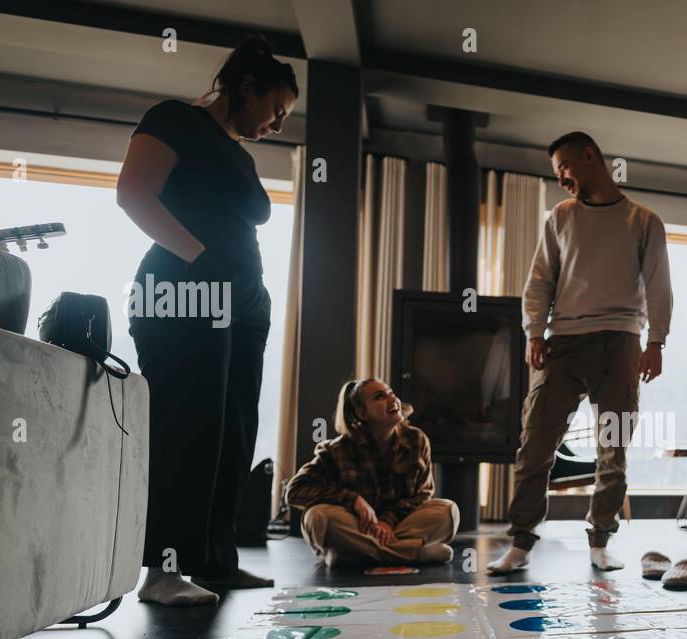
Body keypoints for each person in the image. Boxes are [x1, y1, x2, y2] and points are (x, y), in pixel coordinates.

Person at [116, 35, 297, 605]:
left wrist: (249, 291)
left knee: (233, 431)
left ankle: (214, 562)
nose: (278, 123)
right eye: (277, 109)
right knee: (188, 427)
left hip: (244, 303)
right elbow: (134, 195)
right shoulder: (175, 120)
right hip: (184, 291)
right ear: (249, 87)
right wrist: (205, 262)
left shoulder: (239, 154)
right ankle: (163, 573)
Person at [486, 131, 673, 575]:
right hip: (564, 344)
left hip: (621, 343)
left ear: (589, 156)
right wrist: (534, 333)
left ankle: (600, 542)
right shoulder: (559, 217)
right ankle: (522, 541)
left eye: (564, 169)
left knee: (614, 448)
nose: (561, 180)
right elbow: (540, 281)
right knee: (534, 446)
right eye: (556, 175)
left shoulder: (644, 220)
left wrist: (657, 342)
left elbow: (659, 284)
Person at [286, 379, 458, 568]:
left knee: (448, 512)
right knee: (318, 516)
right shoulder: (337, 450)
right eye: (379, 396)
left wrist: (387, 520)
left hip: (397, 525)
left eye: (391, 392)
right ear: (362, 413)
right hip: (356, 525)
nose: (392, 398)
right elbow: (294, 491)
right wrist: (353, 500)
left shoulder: (416, 440)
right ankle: (415, 552)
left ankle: (354, 555)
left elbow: (423, 494)